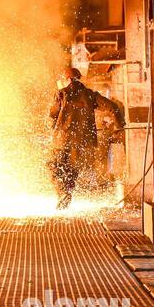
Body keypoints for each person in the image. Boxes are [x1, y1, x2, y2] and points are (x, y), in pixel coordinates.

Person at [48, 66, 101, 209]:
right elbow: (113, 107)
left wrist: (51, 131)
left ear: (68, 79)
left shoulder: (62, 93)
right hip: (82, 141)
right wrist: (119, 125)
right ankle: (67, 194)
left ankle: (62, 193)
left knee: (53, 165)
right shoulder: (90, 94)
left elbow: (52, 115)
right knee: (72, 168)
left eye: (63, 79)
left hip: (63, 139)